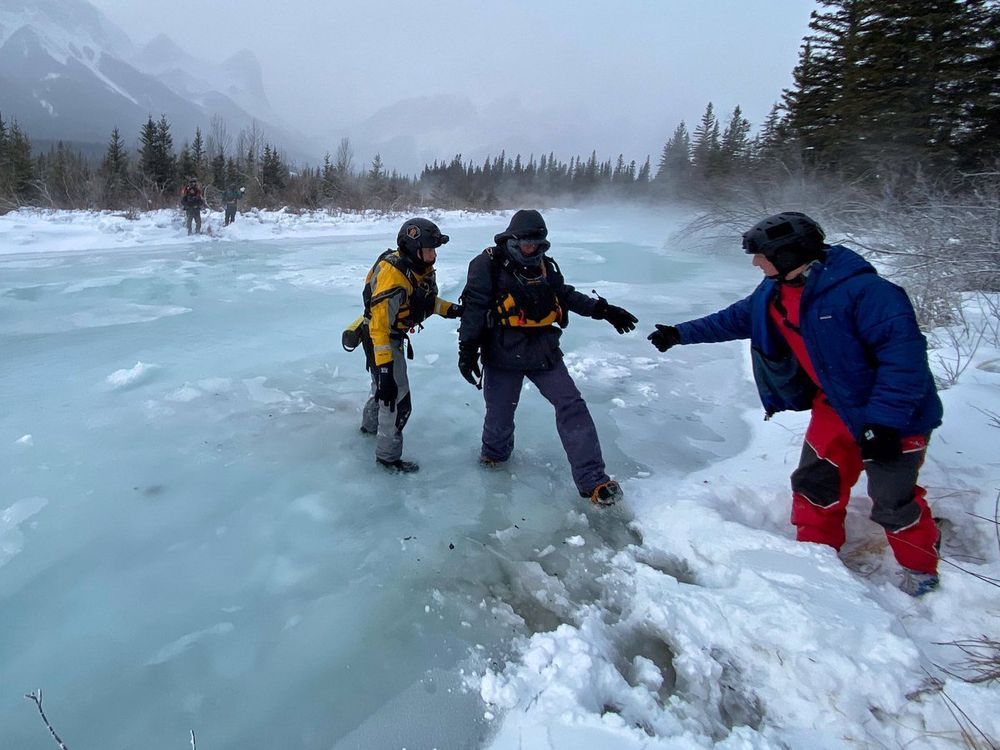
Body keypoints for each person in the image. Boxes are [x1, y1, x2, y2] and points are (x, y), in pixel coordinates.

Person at [648, 212, 943, 596]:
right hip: (835, 407)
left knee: (892, 500)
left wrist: (884, 422)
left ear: (788, 253)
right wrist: (679, 334)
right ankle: (817, 558)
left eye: (761, 255)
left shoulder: (868, 293)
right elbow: (734, 319)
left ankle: (922, 571)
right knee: (815, 483)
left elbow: (904, 360)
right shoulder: (774, 291)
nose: (755, 262)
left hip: (896, 417)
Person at [457, 209, 638, 506]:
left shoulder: (545, 266)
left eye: (539, 245)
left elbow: (564, 295)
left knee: (572, 406)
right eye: (528, 245)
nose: (533, 250)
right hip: (502, 353)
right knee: (500, 415)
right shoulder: (486, 265)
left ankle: (594, 481)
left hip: (544, 352)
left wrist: (603, 311)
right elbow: (475, 308)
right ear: (513, 241)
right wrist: (467, 351)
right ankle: (494, 460)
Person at [359, 218, 463, 473]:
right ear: (412, 248)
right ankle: (388, 458)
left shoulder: (416, 269)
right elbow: (380, 329)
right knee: (396, 399)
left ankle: (368, 428)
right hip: (380, 338)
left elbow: (423, 299)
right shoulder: (394, 279)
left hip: (381, 334)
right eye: (429, 250)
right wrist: (385, 371)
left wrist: (451, 310)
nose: (433, 255)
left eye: (434, 249)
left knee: (382, 391)